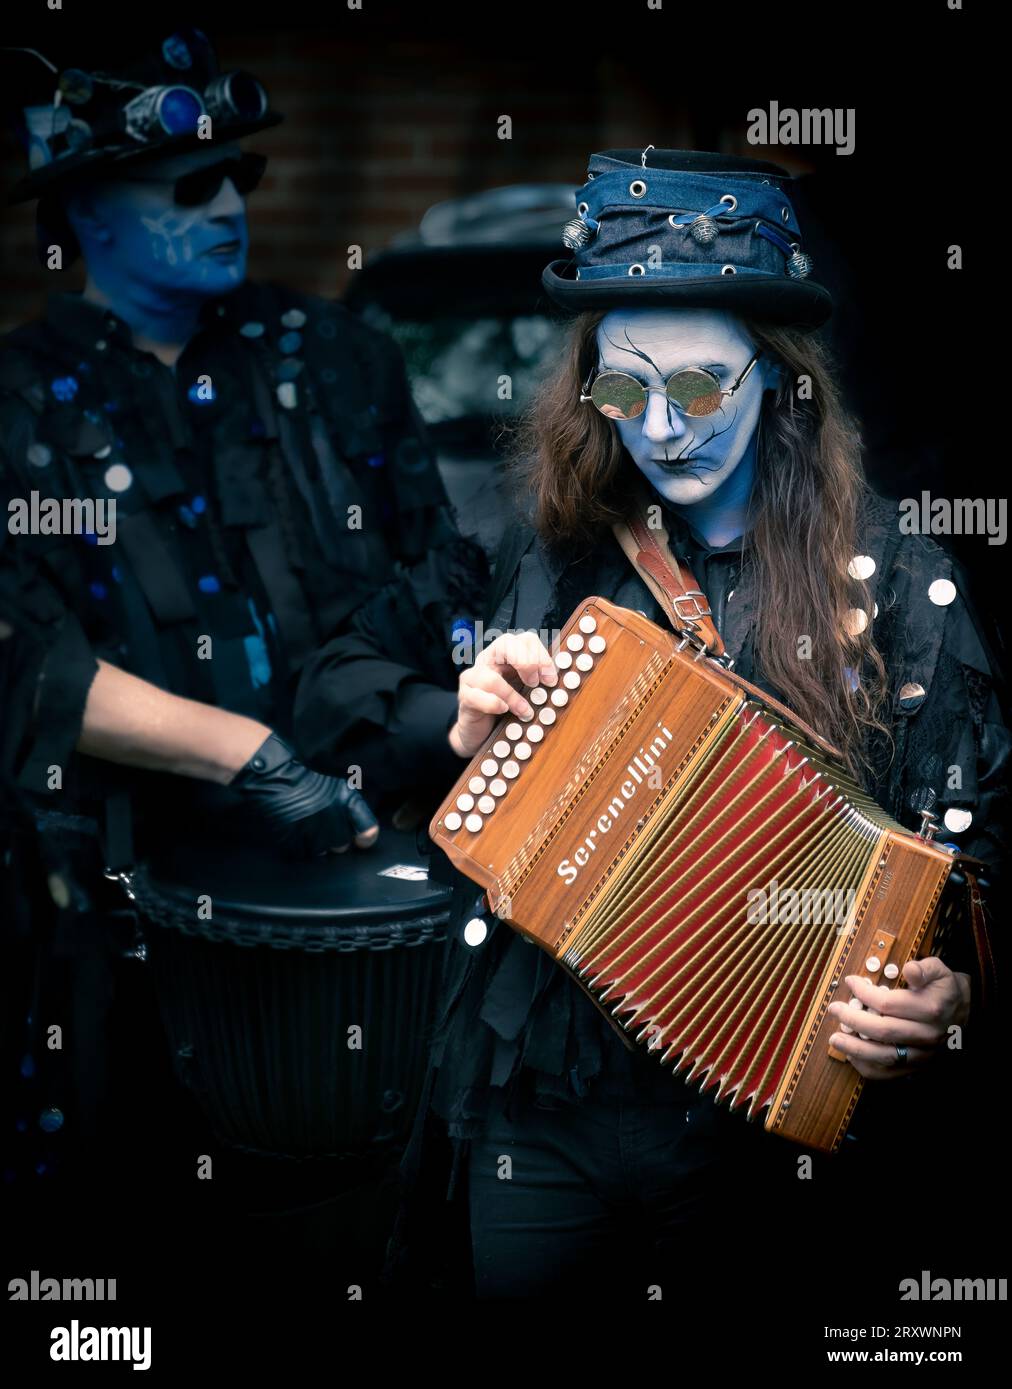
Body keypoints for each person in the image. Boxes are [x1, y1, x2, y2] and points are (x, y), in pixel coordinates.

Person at [329, 148, 1005, 1300]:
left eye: (698, 388)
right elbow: (336, 678)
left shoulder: (901, 584)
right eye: (621, 388)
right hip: (540, 1102)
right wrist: (452, 720)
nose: (659, 427)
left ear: (781, 379)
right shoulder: (535, 552)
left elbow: (979, 854)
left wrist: (960, 990)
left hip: (764, 1141)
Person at [0, 29, 485, 1158]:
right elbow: (22, 660)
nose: (228, 204)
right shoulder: (20, 402)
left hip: (364, 864)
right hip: (115, 901)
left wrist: (426, 731)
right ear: (89, 217)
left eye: (240, 177)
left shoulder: (333, 357)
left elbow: (437, 575)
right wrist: (250, 756)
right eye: (191, 183)